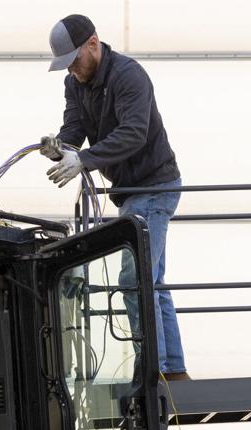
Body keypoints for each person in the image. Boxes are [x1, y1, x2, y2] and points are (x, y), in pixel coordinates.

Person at [41, 13, 189, 381]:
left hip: (154, 187)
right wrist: (61, 149)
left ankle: (153, 371)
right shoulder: (74, 84)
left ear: (93, 43)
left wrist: (85, 160)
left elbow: (134, 133)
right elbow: (74, 128)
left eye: (75, 60)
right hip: (130, 194)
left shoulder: (129, 76)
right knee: (151, 279)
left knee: (133, 277)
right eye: (67, 65)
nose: (73, 70)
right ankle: (173, 370)